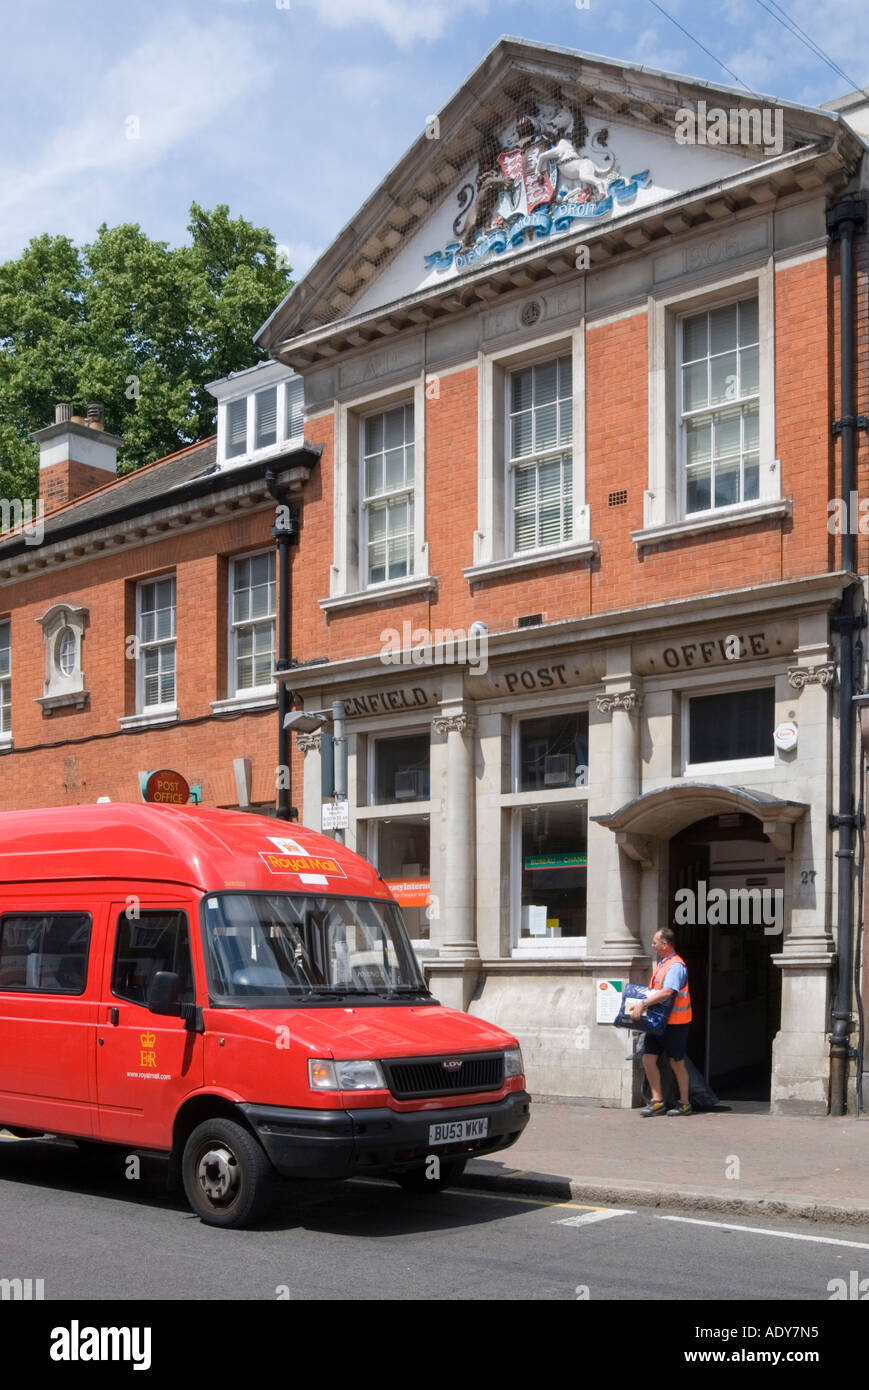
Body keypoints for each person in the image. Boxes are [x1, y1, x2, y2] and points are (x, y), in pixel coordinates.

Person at [626, 926, 693, 1116]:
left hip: (675, 1024)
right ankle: (657, 1101)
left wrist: (643, 1004)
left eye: (655, 942)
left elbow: (667, 992)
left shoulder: (675, 966)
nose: (652, 945)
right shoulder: (663, 963)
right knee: (648, 1059)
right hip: (657, 1023)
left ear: (665, 944)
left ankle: (685, 1103)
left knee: (676, 1063)